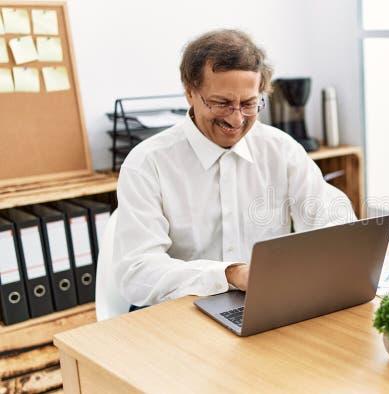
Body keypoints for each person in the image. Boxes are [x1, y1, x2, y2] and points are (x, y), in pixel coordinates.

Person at [114, 29, 355, 308]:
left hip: (263, 303)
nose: (236, 118)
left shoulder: (281, 150)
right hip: (178, 311)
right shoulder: (147, 164)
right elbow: (137, 273)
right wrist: (230, 275)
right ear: (190, 92)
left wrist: (340, 241)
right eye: (222, 103)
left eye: (249, 104)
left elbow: (326, 214)